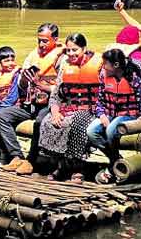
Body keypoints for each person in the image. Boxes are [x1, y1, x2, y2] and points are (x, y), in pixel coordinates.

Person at [0, 23, 64, 175]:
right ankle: (16, 157)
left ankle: (31, 160)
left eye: (45, 41)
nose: (41, 44)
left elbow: (63, 89)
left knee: (40, 122)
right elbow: (21, 83)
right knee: (1, 116)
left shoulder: (62, 58)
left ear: (55, 39)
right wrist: (25, 80)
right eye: (39, 40)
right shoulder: (33, 55)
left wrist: (42, 86)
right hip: (31, 102)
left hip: (51, 104)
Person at [38, 34, 103, 182]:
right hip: (68, 107)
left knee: (75, 123)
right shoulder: (65, 65)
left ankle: (77, 167)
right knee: (48, 121)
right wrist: (55, 112)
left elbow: (105, 93)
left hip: (90, 108)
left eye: (75, 50)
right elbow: (55, 95)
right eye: (68, 50)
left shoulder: (99, 65)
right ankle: (60, 165)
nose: (71, 54)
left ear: (84, 49)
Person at [87, 47, 141, 183]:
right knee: (91, 131)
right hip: (109, 114)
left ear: (116, 65)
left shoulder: (132, 78)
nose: (103, 66)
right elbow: (99, 102)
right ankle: (116, 160)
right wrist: (101, 115)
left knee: (111, 130)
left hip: (128, 115)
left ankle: (113, 167)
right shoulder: (104, 78)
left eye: (105, 63)